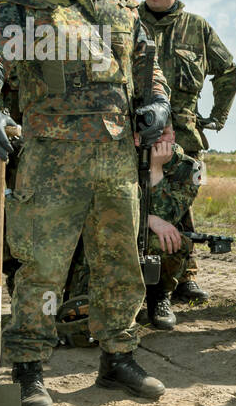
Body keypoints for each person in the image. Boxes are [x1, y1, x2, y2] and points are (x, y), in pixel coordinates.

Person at [0, 0, 171, 406]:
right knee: (43, 265)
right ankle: (30, 367)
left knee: (119, 260)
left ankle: (119, 356)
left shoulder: (122, 5)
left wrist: (157, 101)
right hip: (51, 157)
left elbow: (149, 63)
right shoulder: (24, 2)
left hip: (115, 159)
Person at [138, 0, 236, 304]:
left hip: (183, 132)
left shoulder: (196, 27)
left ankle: (185, 276)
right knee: (137, 197)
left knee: (180, 203)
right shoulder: (128, 22)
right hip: (136, 130)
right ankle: (142, 280)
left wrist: (217, 116)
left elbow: (228, 71)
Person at [58, 125, 202, 339]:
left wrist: (155, 169)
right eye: (149, 134)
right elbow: (97, 208)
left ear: (173, 135)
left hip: (153, 237)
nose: (156, 141)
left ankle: (159, 295)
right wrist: (148, 218)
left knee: (170, 240)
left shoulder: (191, 168)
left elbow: (169, 216)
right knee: (82, 307)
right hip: (113, 231)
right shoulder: (115, 159)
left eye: (163, 134)